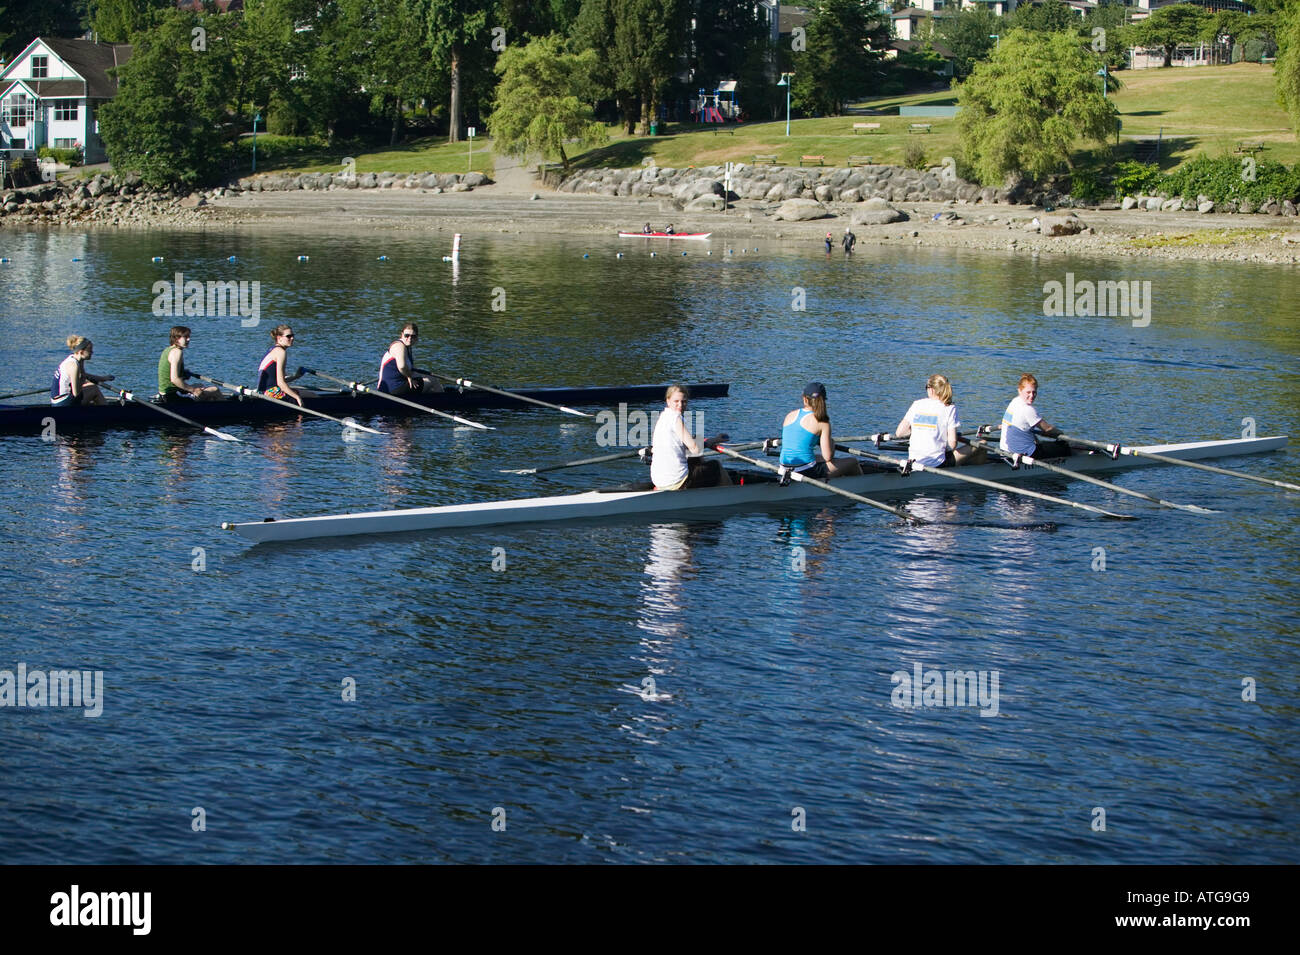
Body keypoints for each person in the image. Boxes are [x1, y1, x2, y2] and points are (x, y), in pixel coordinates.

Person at [892, 374, 984, 468]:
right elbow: (952, 444)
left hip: (913, 463)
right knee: (982, 443)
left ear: (931, 389)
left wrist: (921, 430)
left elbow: (899, 433)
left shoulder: (917, 404)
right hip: (937, 464)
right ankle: (978, 472)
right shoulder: (949, 408)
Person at [650, 385, 732, 490]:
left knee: (694, 459)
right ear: (668, 401)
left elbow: (685, 443)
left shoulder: (663, 417)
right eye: (676, 401)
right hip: (676, 481)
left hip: (658, 479)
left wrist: (697, 441)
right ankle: (730, 494)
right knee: (716, 466)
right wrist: (711, 441)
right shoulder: (676, 418)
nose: (680, 405)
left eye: (683, 401)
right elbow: (695, 448)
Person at [779, 382, 861, 479]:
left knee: (818, 457)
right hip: (805, 471)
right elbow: (828, 457)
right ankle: (859, 485)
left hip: (783, 468)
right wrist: (831, 442)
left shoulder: (790, 415)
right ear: (823, 401)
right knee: (853, 462)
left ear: (804, 399)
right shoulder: (822, 421)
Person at [999, 373, 1068, 459]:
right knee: (1064, 447)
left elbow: (1024, 427)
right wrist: (1061, 434)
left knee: (1041, 443)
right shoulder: (1028, 409)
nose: (1032, 396)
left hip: (1006, 452)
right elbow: (1048, 429)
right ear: (1019, 390)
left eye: (1034, 392)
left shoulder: (1014, 402)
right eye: (1028, 392)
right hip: (1024, 454)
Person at [158, 326, 220, 401]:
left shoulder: (168, 350)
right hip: (172, 396)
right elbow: (174, 379)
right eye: (186, 337)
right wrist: (193, 390)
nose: (188, 339)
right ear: (177, 338)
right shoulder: (177, 352)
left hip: (165, 394)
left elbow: (170, 374)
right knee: (215, 390)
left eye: (189, 336)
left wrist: (183, 373)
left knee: (200, 385)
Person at [51, 335, 112, 406]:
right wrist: (83, 380)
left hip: (59, 400)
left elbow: (84, 376)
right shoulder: (73, 366)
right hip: (62, 404)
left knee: (90, 386)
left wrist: (103, 378)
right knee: (94, 389)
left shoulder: (75, 358)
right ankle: (108, 414)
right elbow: (76, 393)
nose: (92, 352)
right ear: (81, 352)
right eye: (89, 350)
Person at [257, 324, 305, 406]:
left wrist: (296, 376)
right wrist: (297, 397)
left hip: (263, 392)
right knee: (313, 395)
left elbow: (277, 381)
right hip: (272, 393)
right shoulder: (281, 352)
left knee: (302, 392)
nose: (292, 338)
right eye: (289, 336)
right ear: (279, 338)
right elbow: (281, 384)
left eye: (292, 335)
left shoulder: (272, 349)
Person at [378, 323, 427, 396]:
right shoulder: (399, 346)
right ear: (401, 334)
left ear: (416, 338)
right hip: (392, 390)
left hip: (392, 387)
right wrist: (409, 377)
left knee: (427, 378)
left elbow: (409, 369)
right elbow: (402, 366)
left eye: (413, 336)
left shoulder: (407, 347)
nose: (409, 338)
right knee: (432, 381)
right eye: (407, 335)